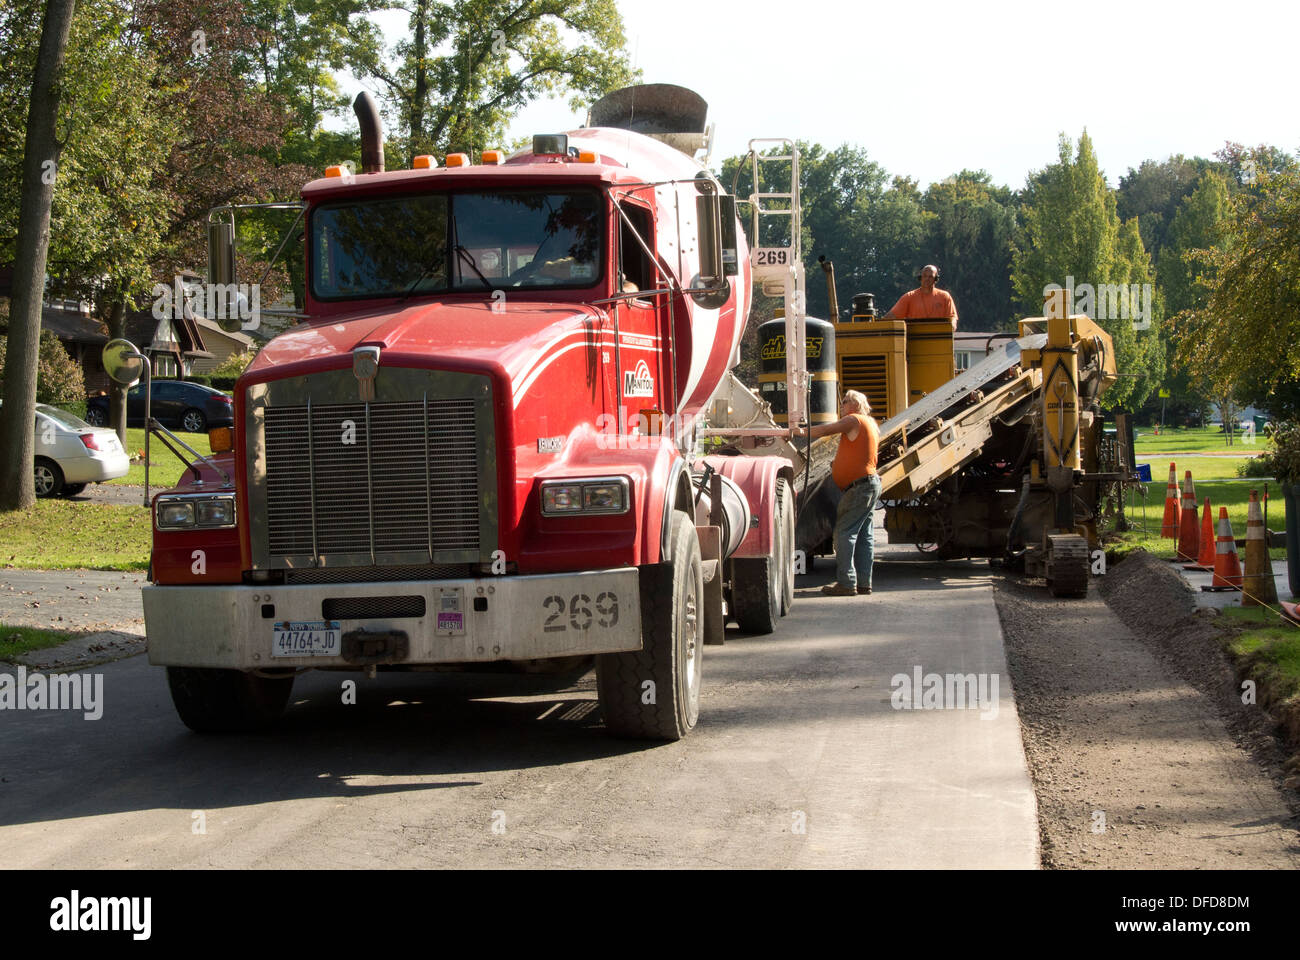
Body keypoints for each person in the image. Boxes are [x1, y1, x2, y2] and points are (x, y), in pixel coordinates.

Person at [788, 390, 881, 596]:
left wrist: (800, 432)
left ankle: (847, 583)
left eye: (845, 401)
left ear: (855, 404)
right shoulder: (870, 424)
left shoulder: (853, 420)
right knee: (864, 535)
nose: (842, 405)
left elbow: (827, 430)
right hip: (869, 484)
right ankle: (864, 582)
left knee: (843, 533)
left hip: (859, 487)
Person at [884, 264, 958, 329]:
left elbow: (952, 318)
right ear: (920, 278)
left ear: (936, 279)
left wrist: (952, 327)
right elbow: (891, 317)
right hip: (915, 339)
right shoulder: (909, 297)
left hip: (938, 339)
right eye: (924, 276)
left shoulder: (945, 296)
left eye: (930, 277)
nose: (927, 279)